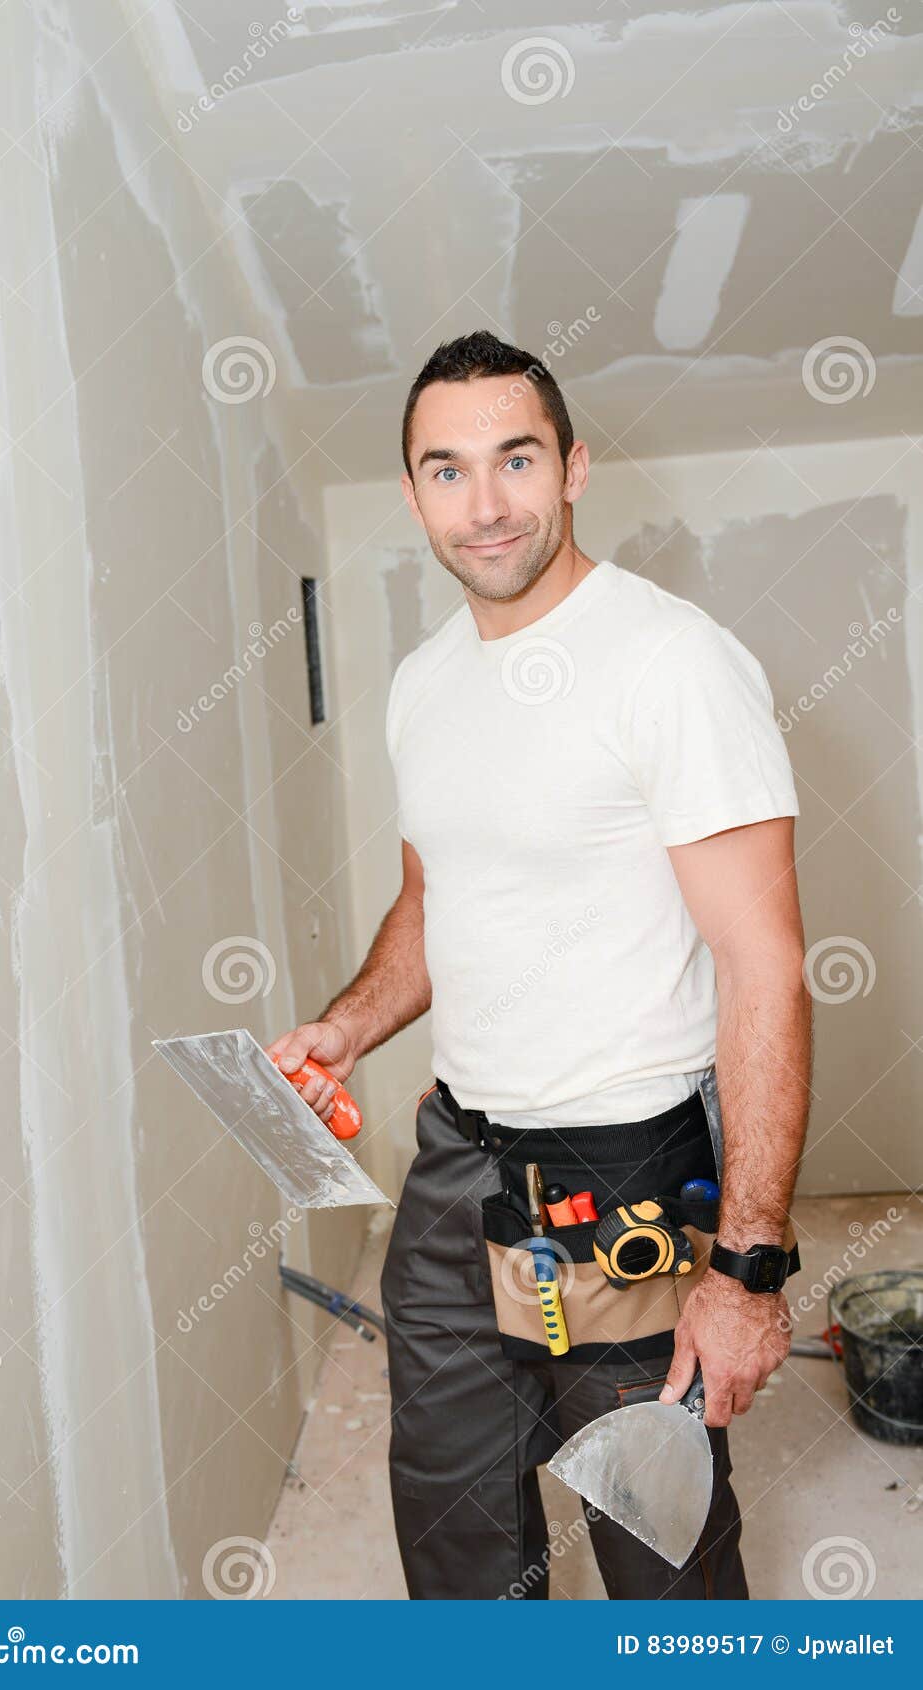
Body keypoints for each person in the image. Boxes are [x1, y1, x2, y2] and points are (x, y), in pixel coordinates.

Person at [266, 330, 811, 1600]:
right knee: (453, 1528)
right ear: (414, 496)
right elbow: (432, 898)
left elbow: (765, 967)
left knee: (654, 1534)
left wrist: (748, 1269)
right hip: (457, 1166)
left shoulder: (671, 663)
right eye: (447, 470)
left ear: (572, 467)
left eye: (515, 458)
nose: (486, 501)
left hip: (620, 1176)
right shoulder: (422, 684)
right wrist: (348, 1030)